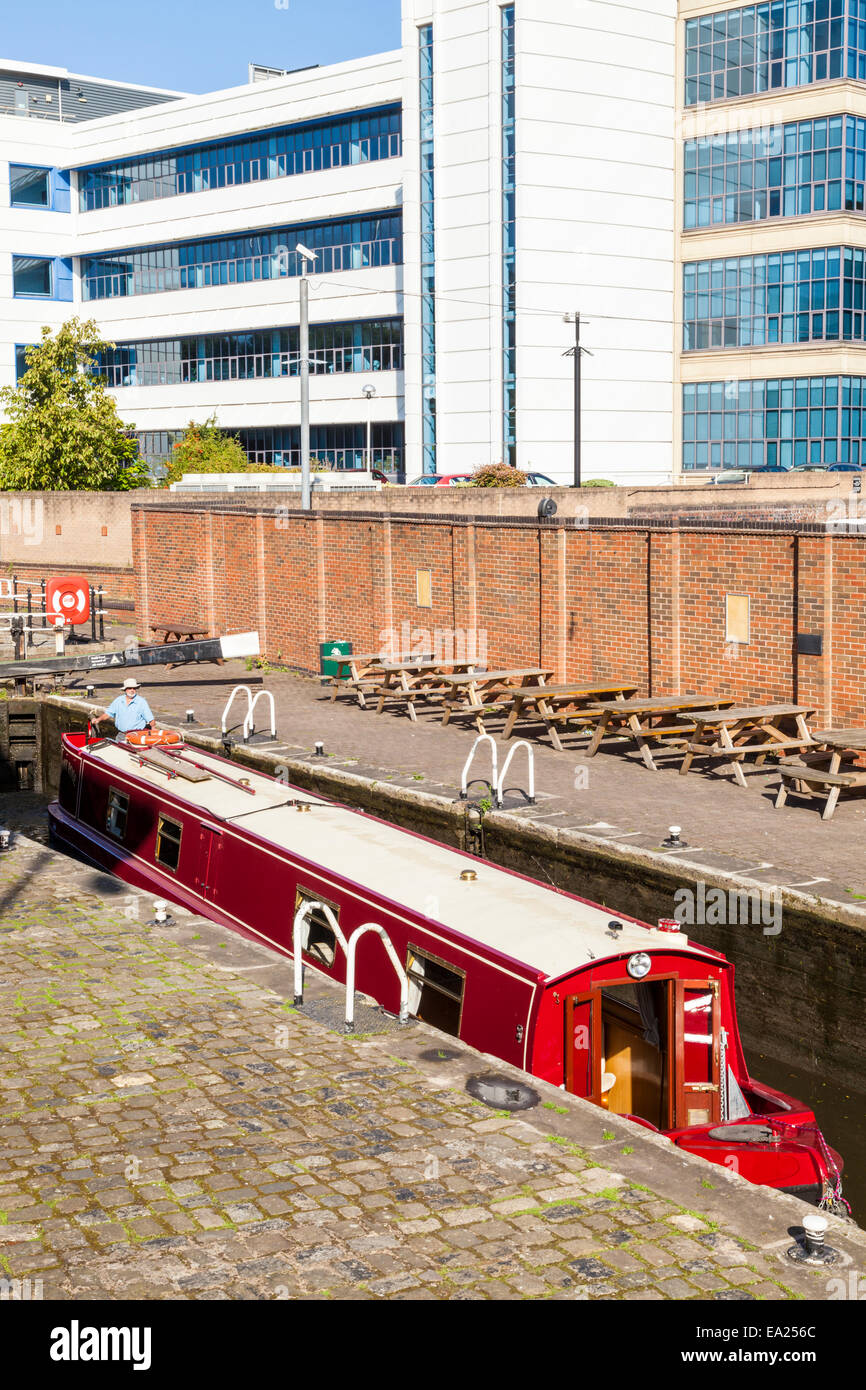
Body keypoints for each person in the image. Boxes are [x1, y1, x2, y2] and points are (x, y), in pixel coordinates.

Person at [93, 677, 156, 742]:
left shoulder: (141, 702)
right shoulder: (118, 700)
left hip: (136, 735)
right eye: (129, 688)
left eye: (134, 688)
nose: (132, 690)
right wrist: (98, 719)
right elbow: (108, 713)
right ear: (125, 690)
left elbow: (150, 718)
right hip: (122, 735)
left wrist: (153, 728)